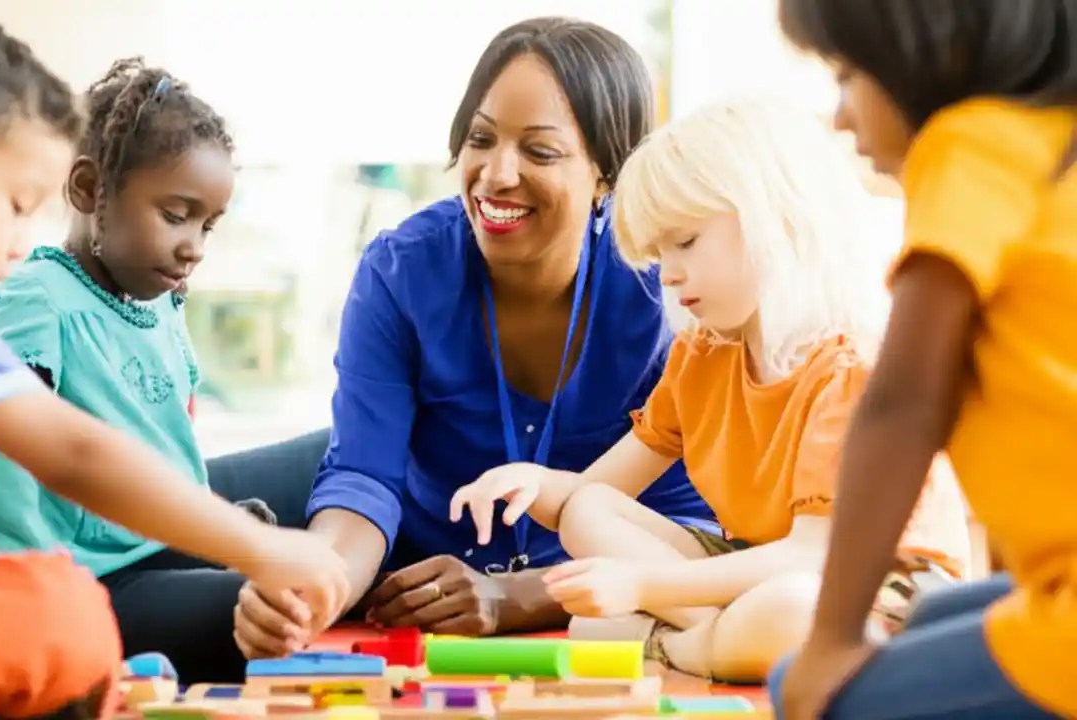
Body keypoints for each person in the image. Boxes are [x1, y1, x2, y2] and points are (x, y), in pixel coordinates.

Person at [0, 4, 348, 717]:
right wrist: (259, 549)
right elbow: (71, 455)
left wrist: (8, 623)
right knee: (71, 610)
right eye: (15, 203)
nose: (23, 239)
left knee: (35, 608)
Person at [229, 17, 716, 661]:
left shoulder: (666, 297)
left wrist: (522, 595)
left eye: (539, 151)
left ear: (607, 174)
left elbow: (697, 527)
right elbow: (363, 478)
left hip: (577, 578)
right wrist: (322, 585)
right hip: (398, 507)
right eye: (480, 139)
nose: (494, 174)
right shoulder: (401, 269)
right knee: (151, 517)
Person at [450, 98, 972, 684]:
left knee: (786, 610)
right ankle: (718, 637)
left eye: (686, 243)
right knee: (589, 514)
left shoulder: (849, 369)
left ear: (774, 222)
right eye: (659, 252)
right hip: (754, 576)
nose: (667, 273)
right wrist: (536, 485)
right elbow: (594, 496)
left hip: (877, 592)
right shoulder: (701, 356)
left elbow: (812, 553)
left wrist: (643, 586)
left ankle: (683, 646)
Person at [0, 57, 327, 685]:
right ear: (88, 191)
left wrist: (225, 531)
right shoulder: (36, 301)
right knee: (269, 608)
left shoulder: (154, 302)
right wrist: (29, 607)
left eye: (207, 225)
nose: (195, 247)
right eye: (176, 215)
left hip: (156, 537)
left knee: (332, 456)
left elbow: (173, 452)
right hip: (89, 579)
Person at [768, 0, 1077, 718]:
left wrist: (830, 639)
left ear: (934, 54)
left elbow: (904, 403)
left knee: (805, 688)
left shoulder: (970, 145)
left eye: (847, 78)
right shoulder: (1053, 148)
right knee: (933, 619)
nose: (840, 119)